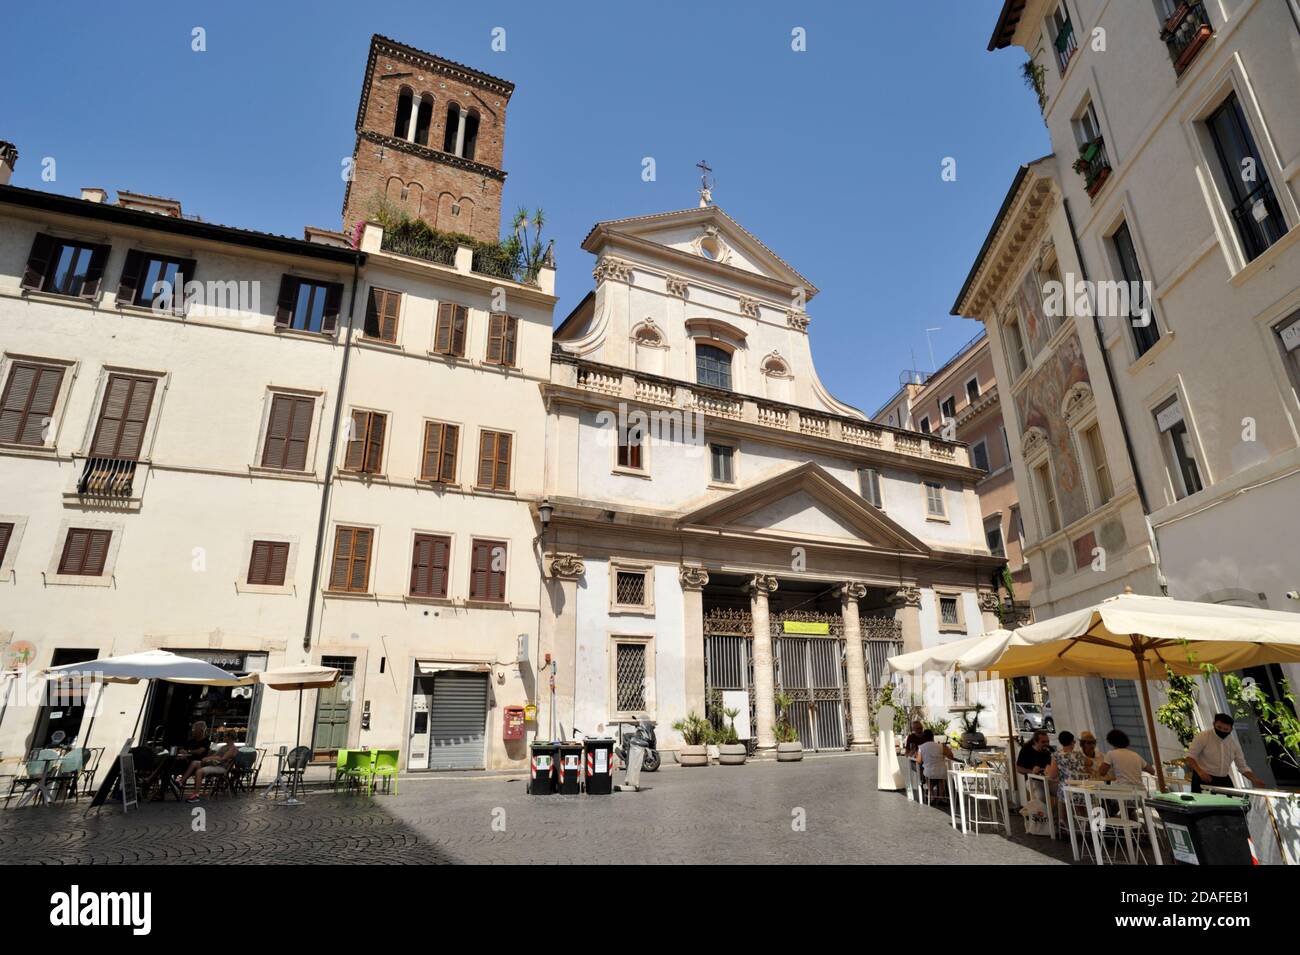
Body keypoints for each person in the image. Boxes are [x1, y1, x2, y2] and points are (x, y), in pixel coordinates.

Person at [1185, 713, 1267, 792]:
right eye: (1219, 727)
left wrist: (1255, 779)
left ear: (1231, 729)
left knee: (1231, 803)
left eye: (1225, 729)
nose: (1222, 731)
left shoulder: (1233, 743)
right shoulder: (1203, 737)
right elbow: (1190, 757)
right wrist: (1200, 772)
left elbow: (1242, 767)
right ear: (1214, 724)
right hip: (1202, 777)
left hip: (1223, 779)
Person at [181, 732, 237, 802]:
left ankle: (196, 795)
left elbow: (223, 759)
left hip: (221, 767)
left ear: (230, 738)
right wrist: (208, 758)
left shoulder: (233, 748)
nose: (224, 738)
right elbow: (215, 755)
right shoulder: (223, 747)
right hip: (214, 764)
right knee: (194, 762)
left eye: (225, 736)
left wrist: (208, 758)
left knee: (199, 771)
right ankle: (181, 782)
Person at [915, 729, 954, 804]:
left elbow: (919, 761)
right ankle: (941, 797)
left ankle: (932, 796)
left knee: (927, 776)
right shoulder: (941, 746)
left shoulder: (921, 747)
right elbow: (951, 756)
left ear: (924, 738)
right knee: (941, 778)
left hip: (929, 772)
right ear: (932, 737)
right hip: (941, 771)